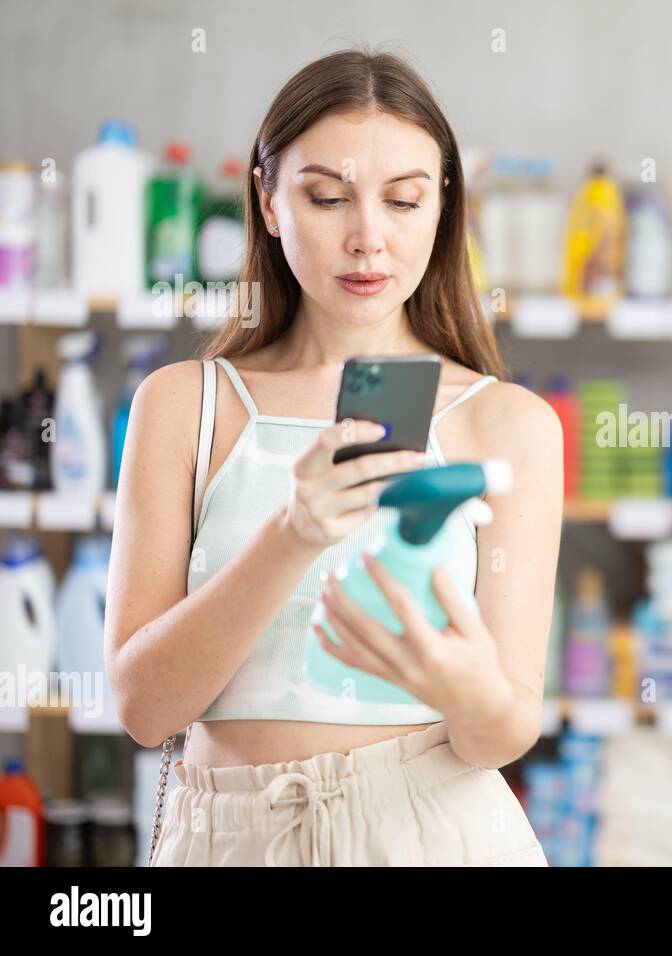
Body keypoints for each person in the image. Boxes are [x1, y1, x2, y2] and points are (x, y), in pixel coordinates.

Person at [105, 49, 563, 866]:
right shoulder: (186, 406)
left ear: (443, 208)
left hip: (433, 829)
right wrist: (295, 529)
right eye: (327, 197)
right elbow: (144, 709)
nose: (368, 238)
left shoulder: (508, 423)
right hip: (226, 838)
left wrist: (463, 686)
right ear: (269, 202)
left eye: (404, 200)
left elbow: (505, 731)